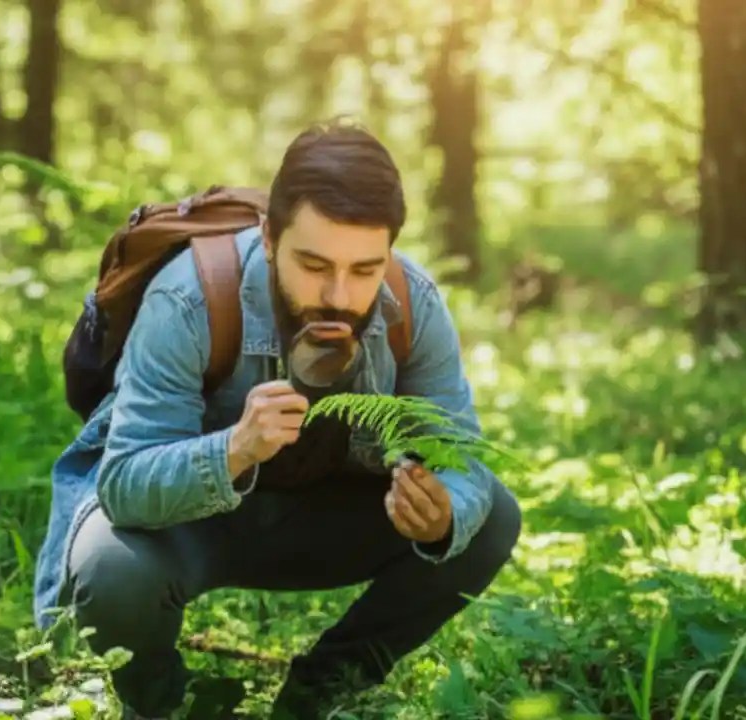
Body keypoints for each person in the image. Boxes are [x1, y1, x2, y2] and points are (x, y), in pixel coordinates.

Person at [30, 120, 522, 719]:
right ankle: (167, 707)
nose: (340, 295)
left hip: (328, 519)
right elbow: (124, 484)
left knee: (490, 516)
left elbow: (460, 452)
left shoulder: (412, 303)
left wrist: (441, 514)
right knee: (112, 568)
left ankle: (319, 693)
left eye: (365, 269)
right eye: (314, 265)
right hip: (194, 525)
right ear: (268, 237)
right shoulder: (188, 298)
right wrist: (233, 449)